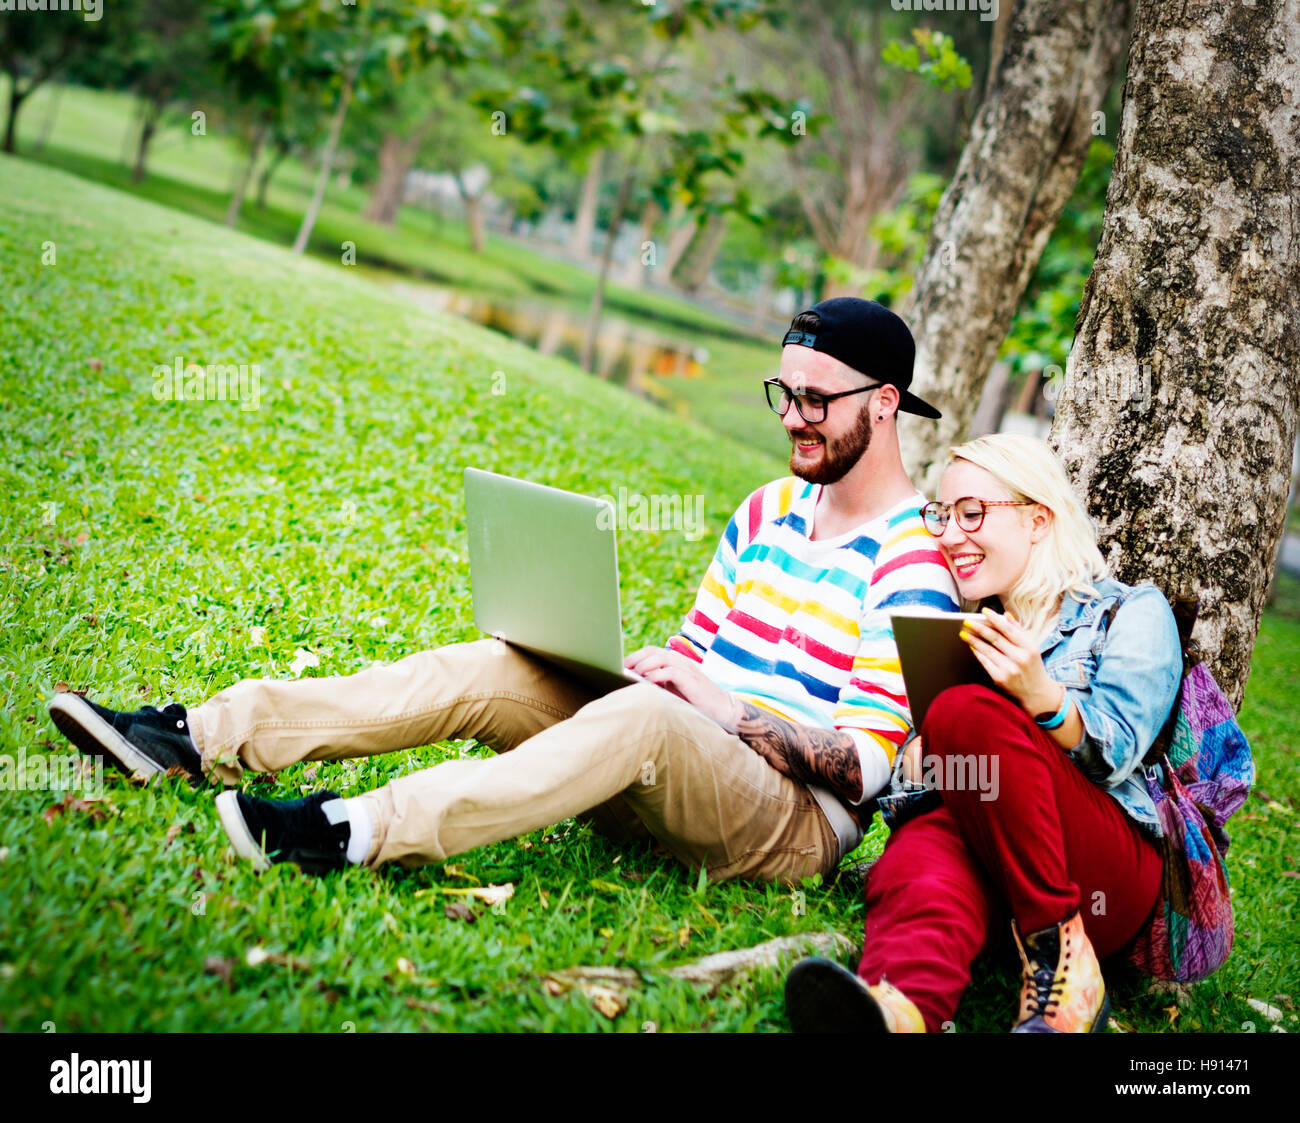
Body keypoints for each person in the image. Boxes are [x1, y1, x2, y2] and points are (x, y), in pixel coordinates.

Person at [47, 298, 957, 886]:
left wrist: (710, 706)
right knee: (501, 665)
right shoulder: (767, 510)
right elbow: (699, 651)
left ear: (883, 404)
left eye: (816, 401)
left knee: (645, 722)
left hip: (787, 827)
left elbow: (867, 768)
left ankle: (351, 830)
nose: (792, 418)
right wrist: (656, 670)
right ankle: (194, 736)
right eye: (782, 394)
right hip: (679, 768)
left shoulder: (915, 562)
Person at [783, 433, 1181, 1034]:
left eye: (972, 514)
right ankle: (900, 1009)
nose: (948, 535)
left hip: (1105, 873)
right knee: (921, 845)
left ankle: (1065, 967)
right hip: (996, 866)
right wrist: (920, 760)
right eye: (942, 516)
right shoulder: (961, 631)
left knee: (965, 713)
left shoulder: (1130, 611)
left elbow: (1118, 750)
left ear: (1038, 520)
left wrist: (1042, 697)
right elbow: (942, 783)